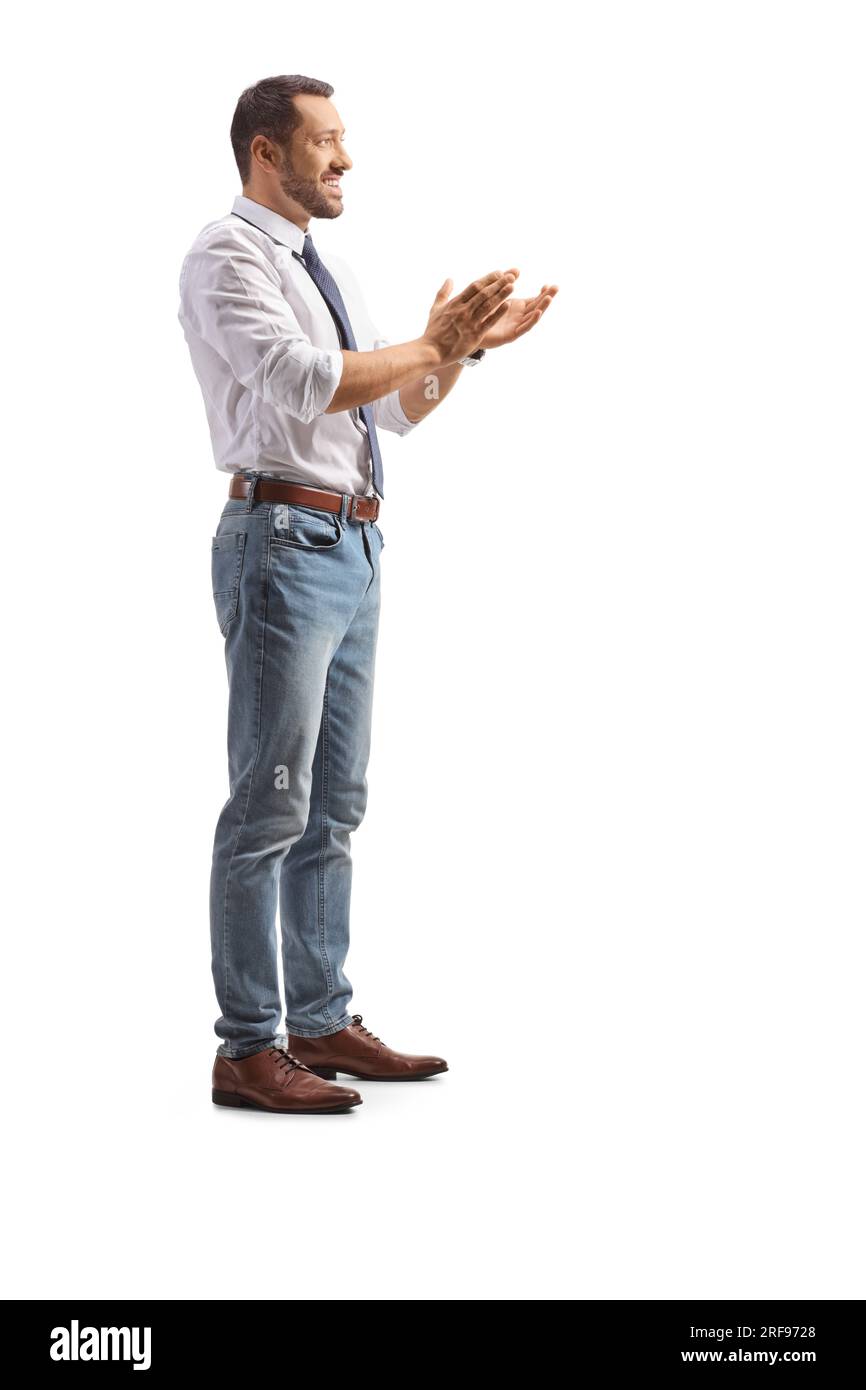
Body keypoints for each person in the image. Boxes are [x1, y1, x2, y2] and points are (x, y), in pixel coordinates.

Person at [176, 73, 558, 1115]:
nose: (344, 159)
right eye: (325, 141)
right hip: (280, 539)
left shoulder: (323, 263)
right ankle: (246, 1047)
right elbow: (305, 379)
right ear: (266, 151)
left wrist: (463, 349)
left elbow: (391, 409)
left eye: (343, 140)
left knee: (333, 803)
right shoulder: (224, 254)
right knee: (270, 802)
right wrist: (430, 346)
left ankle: (319, 1016)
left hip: (349, 544)